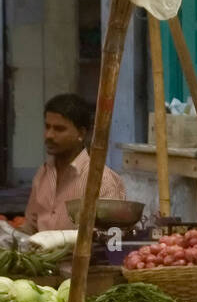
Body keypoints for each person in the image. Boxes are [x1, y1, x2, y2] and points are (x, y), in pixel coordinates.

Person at [23, 93, 125, 232]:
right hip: (38, 254)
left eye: (59, 129)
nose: (49, 135)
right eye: (47, 127)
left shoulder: (102, 181)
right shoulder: (44, 173)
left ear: (81, 133)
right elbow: (31, 227)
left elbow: (113, 240)